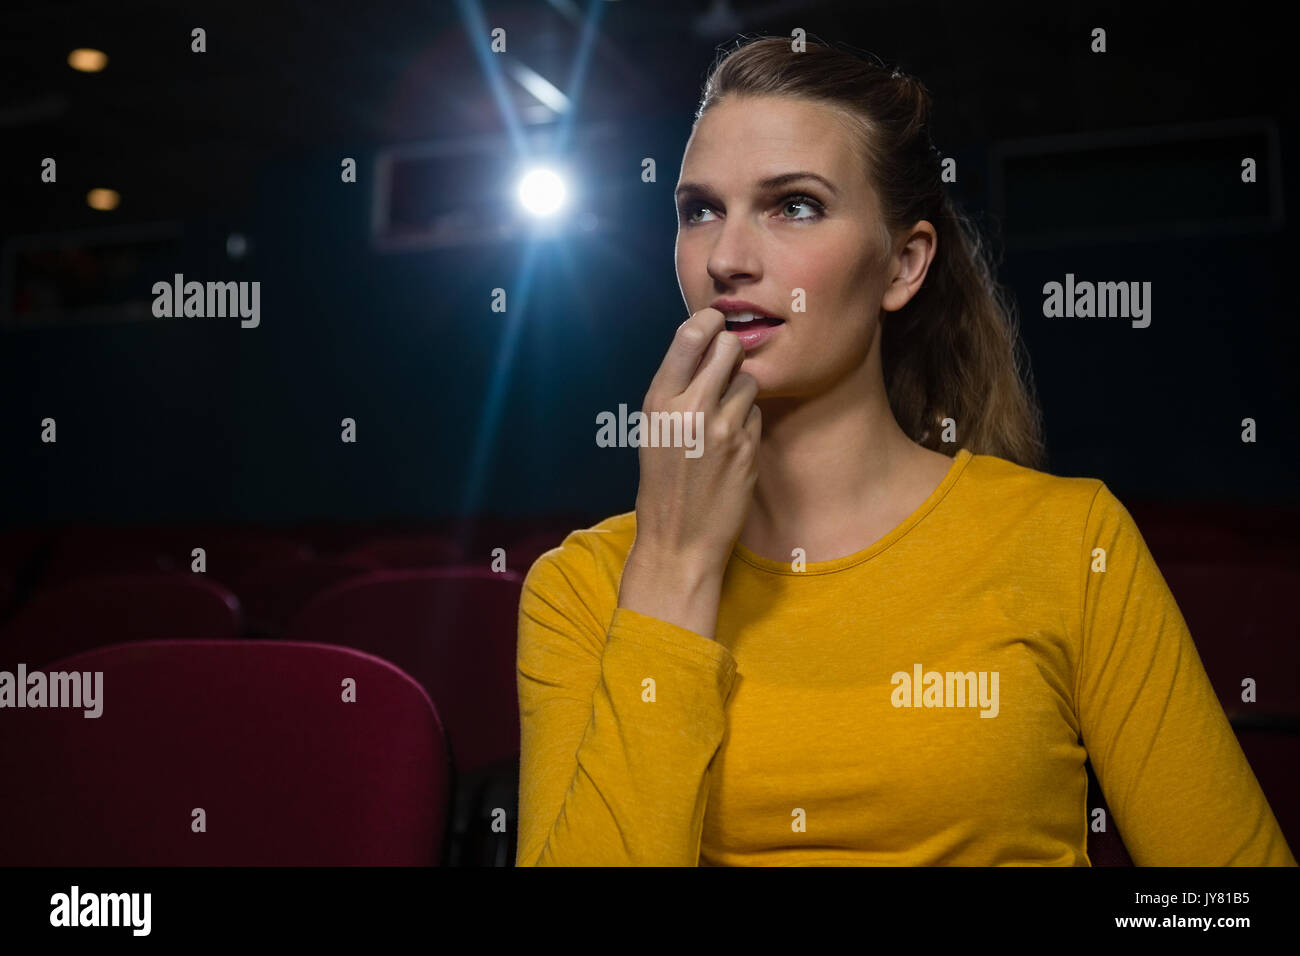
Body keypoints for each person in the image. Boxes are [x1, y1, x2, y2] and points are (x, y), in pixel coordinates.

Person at [514, 35, 1295, 866]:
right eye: (699, 210)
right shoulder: (581, 591)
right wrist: (671, 565)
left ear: (904, 264)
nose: (727, 259)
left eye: (795, 205)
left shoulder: (1072, 544)